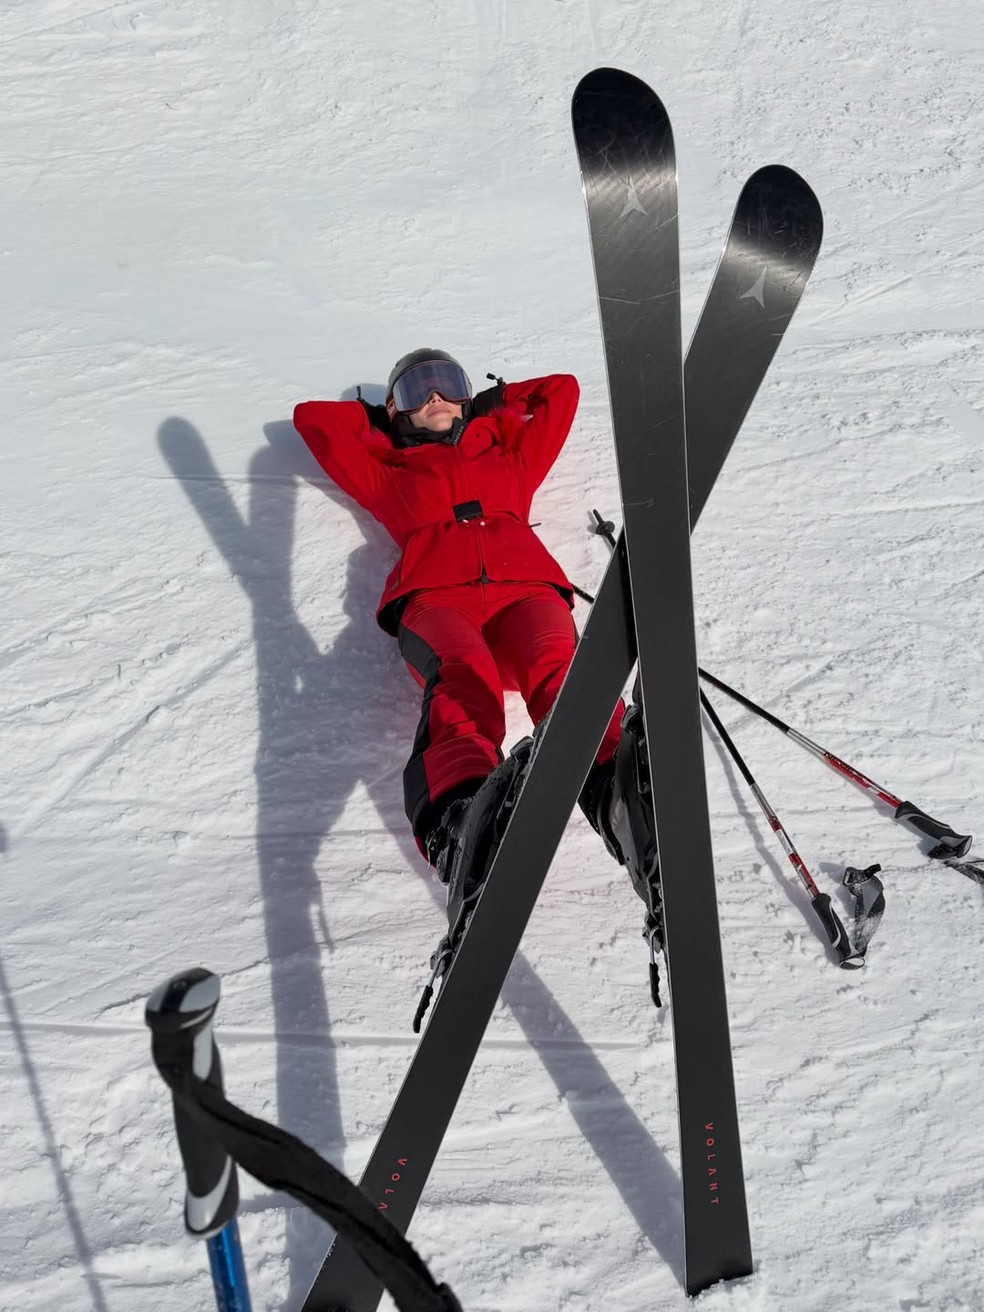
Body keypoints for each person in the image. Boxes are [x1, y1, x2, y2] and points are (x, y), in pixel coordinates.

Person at [293, 348, 628, 914]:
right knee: (462, 683)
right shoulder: (388, 471)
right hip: (436, 598)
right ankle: (461, 819)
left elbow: (562, 391)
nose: (434, 399)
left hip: (525, 590)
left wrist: (493, 405)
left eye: (446, 385)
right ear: (397, 410)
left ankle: (623, 792)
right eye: (417, 391)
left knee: (563, 674)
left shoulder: (509, 456)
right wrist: (378, 422)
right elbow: (313, 420)